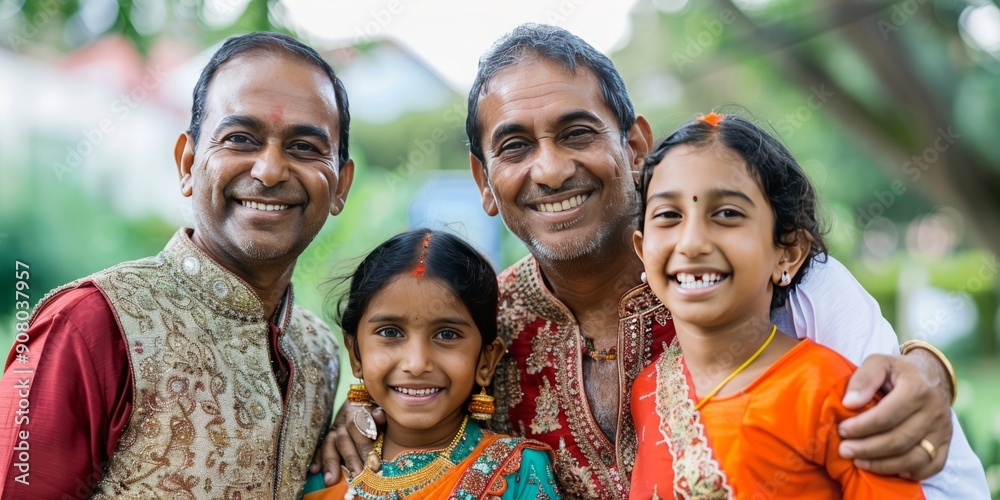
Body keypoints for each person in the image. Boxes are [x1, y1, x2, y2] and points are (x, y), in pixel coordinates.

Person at [318, 24, 987, 499]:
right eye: (516, 147)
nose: (550, 169)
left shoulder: (773, 284)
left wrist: (927, 370)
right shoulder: (474, 325)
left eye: (578, 133)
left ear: (635, 146)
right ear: (484, 182)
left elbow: (925, 449)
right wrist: (359, 414)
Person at [0, 32, 353, 498]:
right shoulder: (90, 325)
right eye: (240, 139)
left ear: (341, 185)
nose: (269, 170)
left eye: (305, 147)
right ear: (187, 163)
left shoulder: (319, 354)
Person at [629, 112, 926, 498]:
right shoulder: (647, 390)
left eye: (726, 214)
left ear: (787, 252)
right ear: (642, 251)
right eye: (669, 215)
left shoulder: (831, 391)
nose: (692, 242)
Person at [303, 229, 559, 499]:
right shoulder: (327, 474)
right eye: (390, 332)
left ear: (486, 361)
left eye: (447, 335)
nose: (416, 364)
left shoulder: (517, 470)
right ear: (355, 354)